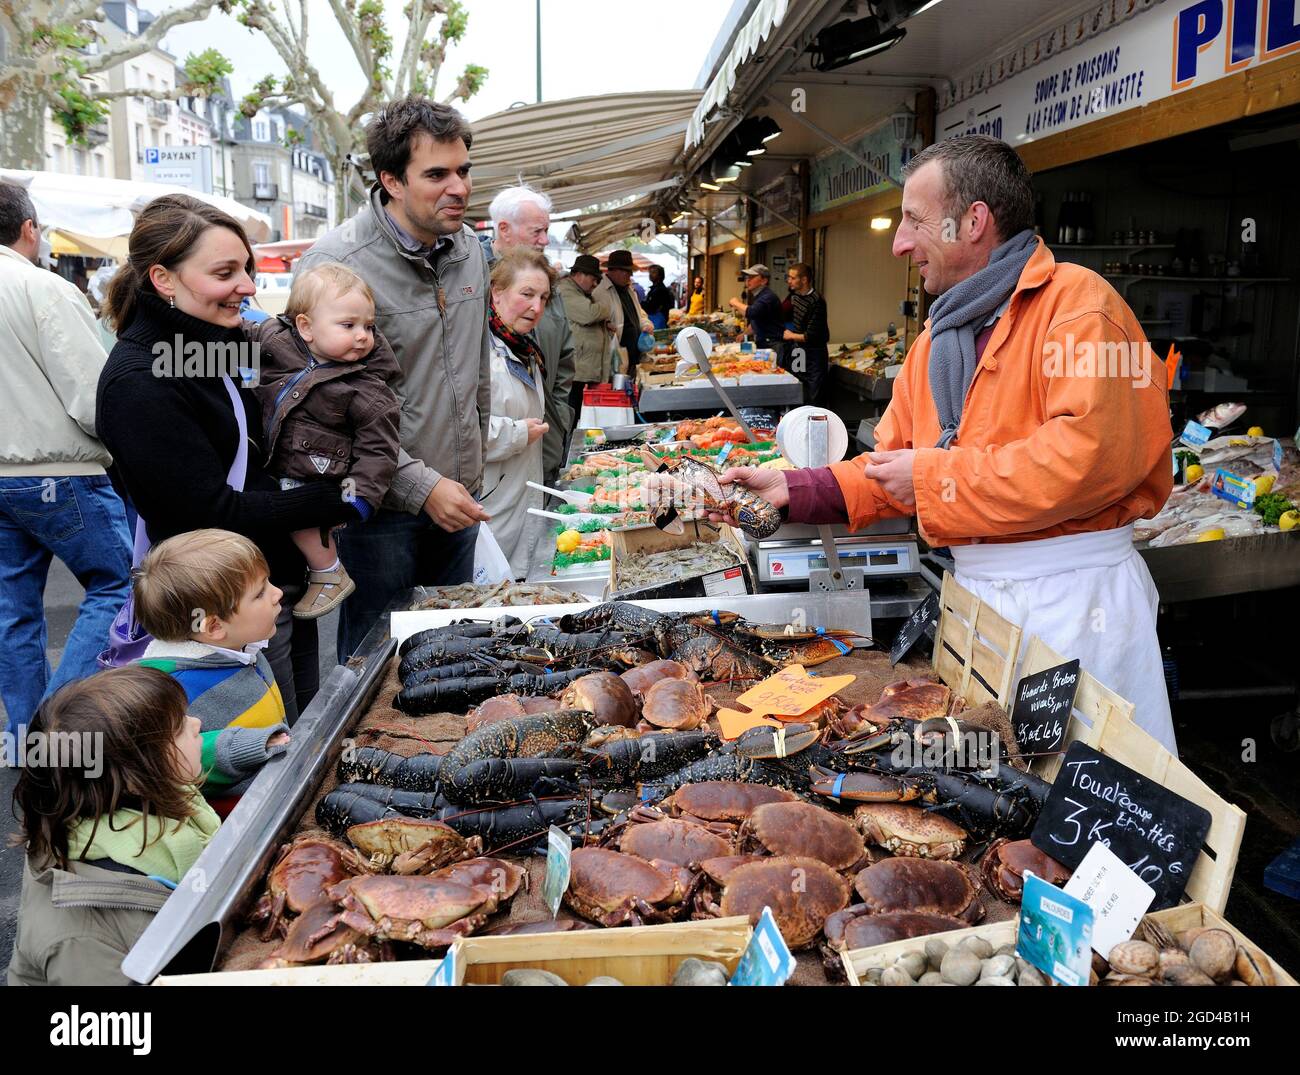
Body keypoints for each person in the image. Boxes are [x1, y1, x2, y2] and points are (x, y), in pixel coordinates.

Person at [699, 135, 1177, 752]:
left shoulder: (1082, 308)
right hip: (977, 601)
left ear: (973, 221)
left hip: (1075, 602)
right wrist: (793, 488)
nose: (899, 243)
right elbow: (888, 462)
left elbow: (1090, 460)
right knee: (996, 797)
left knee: (1092, 801)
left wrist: (932, 478)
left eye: (913, 221)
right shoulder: (938, 338)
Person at [96, 194, 362, 723]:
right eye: (225, 272)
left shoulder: (211, 345)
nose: (247, 286)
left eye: (248, 267)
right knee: (264, 765)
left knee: (301, 736)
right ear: (163, 280)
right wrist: (325, 499)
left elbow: (264, 440)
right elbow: (205, 512)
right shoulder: (138, 383)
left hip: (269, 588)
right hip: (222, 613)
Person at [296, 95, 493, 660]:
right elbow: (322, 412)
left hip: (460, 499)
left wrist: (468, 472)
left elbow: (475, 371)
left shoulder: (469, 251)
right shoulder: (336, 265)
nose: (458, 187)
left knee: (459, 656)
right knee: (376, 663)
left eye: (463, 170)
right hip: (378, 510)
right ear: (391, 181)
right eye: (436, 174)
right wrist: (420, 485)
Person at [0, 182, 132, 743]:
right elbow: (92, 393)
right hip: (57, 472)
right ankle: (58, 731)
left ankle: (29, 737)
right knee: (122, 587)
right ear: (29, 230)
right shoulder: (41, 288)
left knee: (12, 614)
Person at [8, 666, 219, 986]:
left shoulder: (142, 802)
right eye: (178, 728)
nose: (196, 723)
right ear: (135, 777)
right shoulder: (82, 940)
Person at [246, 263, 402, 618]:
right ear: (306, 327)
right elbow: (239, 339)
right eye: (348, 326)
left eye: (368, 326)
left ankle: (328, 571)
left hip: (316, 470)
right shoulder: (276, 341)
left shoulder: (368, 389)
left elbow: (379, 450)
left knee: (295, 505)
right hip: (269, 457)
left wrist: (358, 499)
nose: (363, 335)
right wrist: (176, 354)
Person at [133, 530, 291, 808]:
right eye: (260, 593)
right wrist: (246, 747)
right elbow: (160, 758)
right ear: (215, 627)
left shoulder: (242, 646)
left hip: (270, 792)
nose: (277, 593)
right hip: (233, 821)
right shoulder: (166, 688)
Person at [486, 185, 575, 487]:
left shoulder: (546, 279)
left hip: (544, 446)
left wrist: (558, 418)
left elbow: (564, 361)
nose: (545, 240)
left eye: (546, 231)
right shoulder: (469, 279)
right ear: (504, 229)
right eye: (537, 231)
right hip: (493, 463)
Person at [482, 248, 556, 578]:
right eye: (526, 294)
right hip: (490, 506)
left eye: (543, 297)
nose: (536, 307)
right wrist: (517, 434)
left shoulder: (525, 348)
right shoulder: (477, 348)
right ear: (497, 292)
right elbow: (457, 429)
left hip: (521, 498)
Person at [556, 254, 611, 417]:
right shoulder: (566, 290)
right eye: (593, 278)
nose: (595, 284)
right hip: (576, 370)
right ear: (579, 274)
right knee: (572, 414)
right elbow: (588, 314)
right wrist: (605, 309)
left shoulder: (580, 292)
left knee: (580, 414)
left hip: (582, 368)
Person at [594, 249, 653, 372]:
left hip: (634, 357)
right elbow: (597, 320)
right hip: (616, 359)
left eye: (630, 271)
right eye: (625, 271)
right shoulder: (601, 291)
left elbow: (640, 313)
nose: (630, 274)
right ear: (613, 270)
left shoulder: (629, 289)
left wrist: (646, 324)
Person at [783, 262, 830, 404]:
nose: (788, 281)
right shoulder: (794, 296)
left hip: (814, 354)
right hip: (798, 353)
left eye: (792, 278)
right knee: (799, 392)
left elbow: (812, 335)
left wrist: (790, 335)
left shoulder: (817, 301)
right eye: (788, 277)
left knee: (814, 395)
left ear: (804, 280)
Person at [728, 264, 783, 349]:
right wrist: (744, 334)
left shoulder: (768, 296)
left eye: (752, 277)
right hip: (764, 343)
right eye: (747, 277)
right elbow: (756, 320)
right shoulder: (759, 296)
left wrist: (735, 303)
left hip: (772, 345)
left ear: (764, 281)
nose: (748, 280)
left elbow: (751, 312)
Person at [642, 264, 674, 330]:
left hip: (657, 322)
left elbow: (652, 307)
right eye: (650, 272)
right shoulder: (654, 289)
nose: (650, 274)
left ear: (660, 275)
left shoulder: (661, 290)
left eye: (653, 272)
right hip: (653, 320)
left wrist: (641, 304)